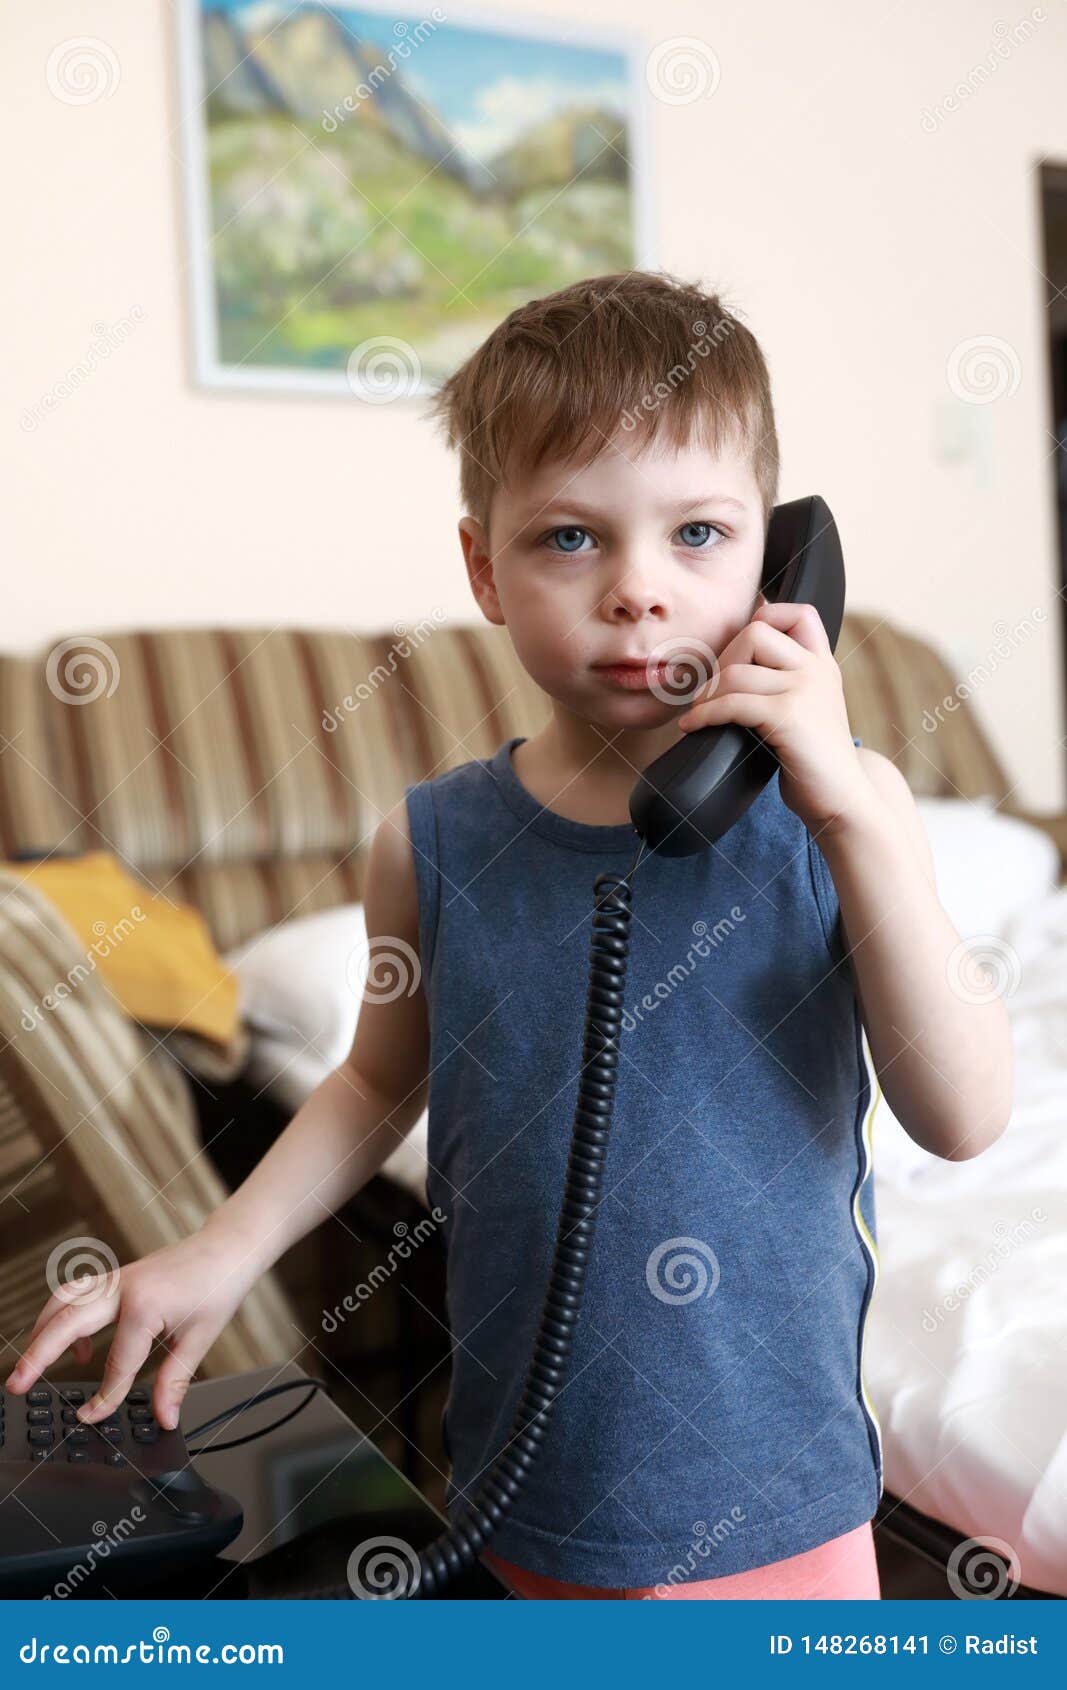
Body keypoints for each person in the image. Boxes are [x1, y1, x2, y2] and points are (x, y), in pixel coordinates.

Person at [5, 271, 1012, 1599]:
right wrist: (220, 1247)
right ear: (483, 564)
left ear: (776, 561)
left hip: (783, 1511)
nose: (639, 590)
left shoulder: (844, 813)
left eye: (699, 534)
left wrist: (859, 822)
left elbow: (966, 1115)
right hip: (519, 1492)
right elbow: (374, 1080)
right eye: (571, 540)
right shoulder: (429, 842)